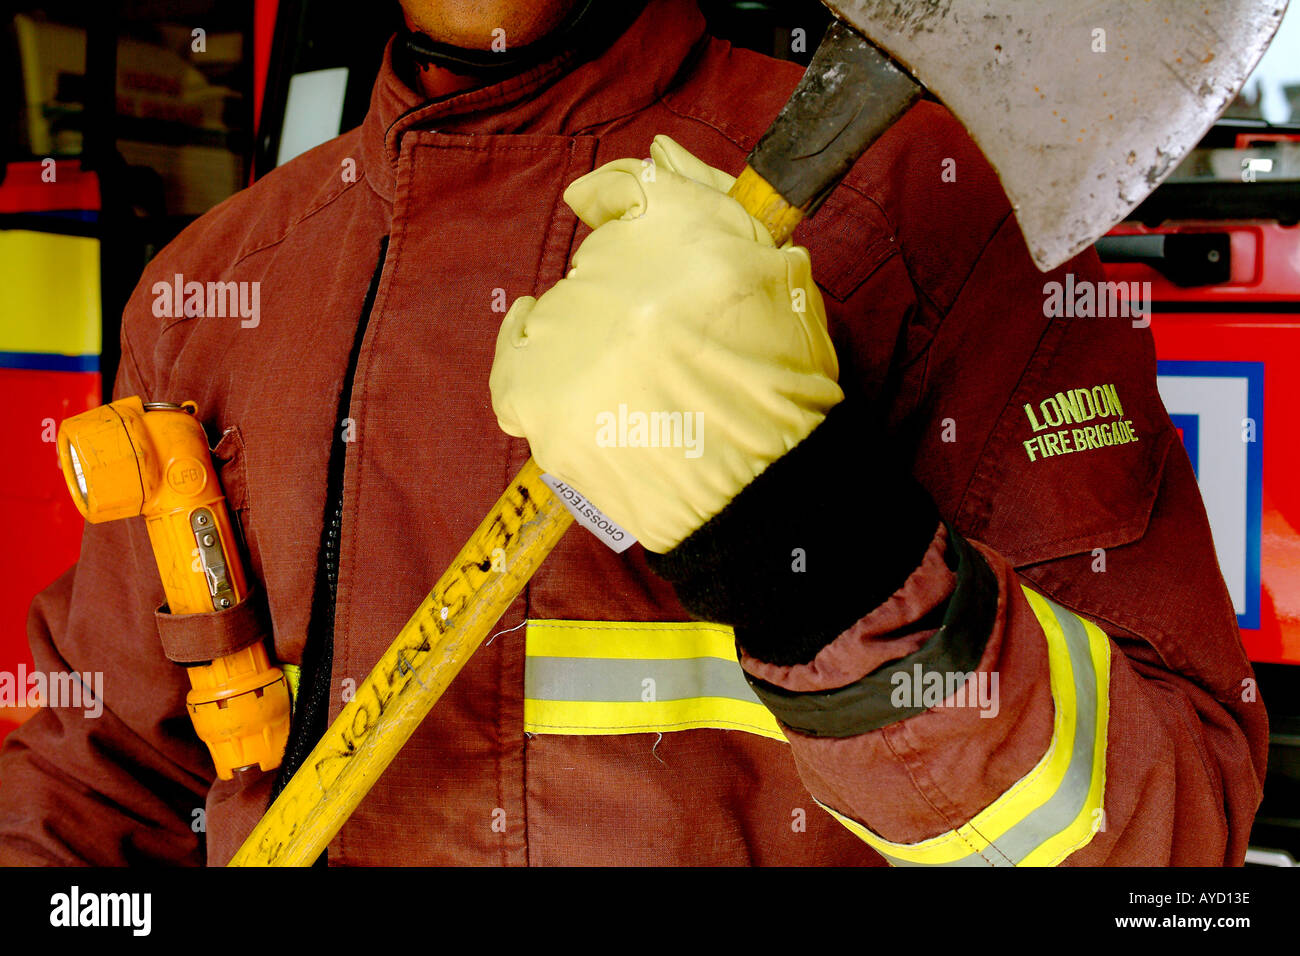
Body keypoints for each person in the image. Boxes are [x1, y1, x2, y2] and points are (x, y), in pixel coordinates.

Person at [0, 0, 1266, 866]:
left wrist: (804, 538)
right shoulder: (211, 286)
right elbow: (93, 776)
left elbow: (1170, 846)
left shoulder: (924, 215)